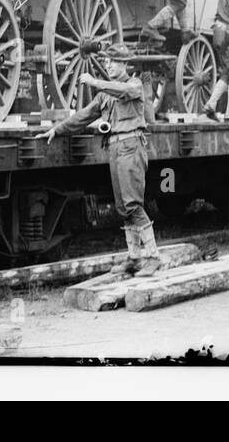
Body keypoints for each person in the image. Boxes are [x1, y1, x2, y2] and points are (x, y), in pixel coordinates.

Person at [34, 44, 161, 276]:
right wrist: (57, 130)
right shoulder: (105, 95)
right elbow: (83, 116)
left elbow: (121, 91)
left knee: (133, 204)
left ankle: (153, 257)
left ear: (124, 64)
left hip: (131, 147)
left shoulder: (134, 85)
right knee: (123, 207)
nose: (108, 65)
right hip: (114, 148)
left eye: (112, 61)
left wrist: (93, 82)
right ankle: (134, 258)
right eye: (107, 61)